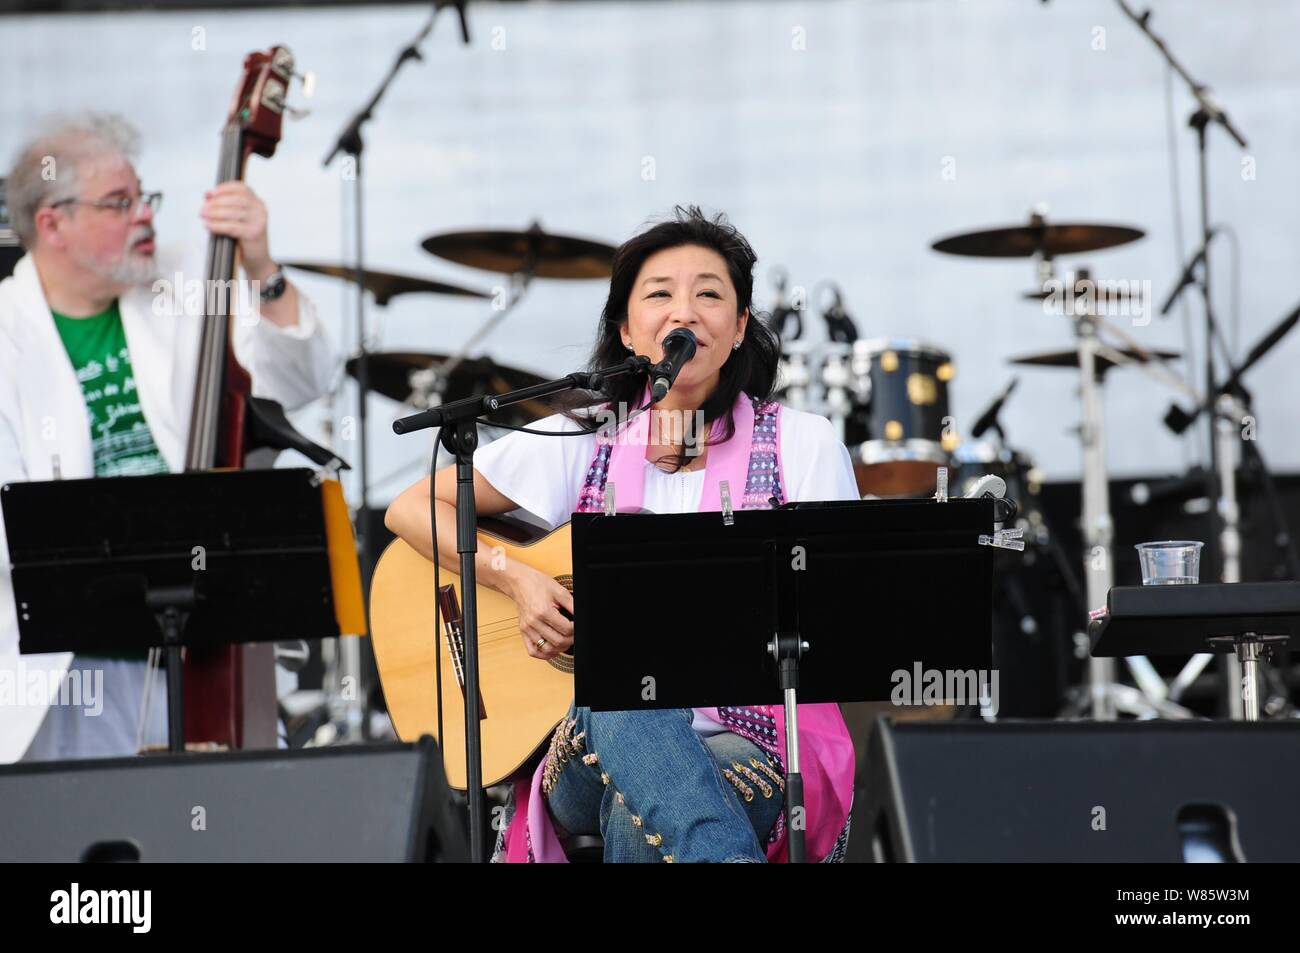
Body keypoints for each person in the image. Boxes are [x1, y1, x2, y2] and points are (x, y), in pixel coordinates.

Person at [386, 205, 857, 862]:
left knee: (638, 818)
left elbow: (839, 614)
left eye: (710, 295)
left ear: (741, 325)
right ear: (629, 331)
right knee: (622, 690)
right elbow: (410, 507)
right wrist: (514, 577)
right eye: (660, 294)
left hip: (755, 750)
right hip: (583, 744)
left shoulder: (800, 444)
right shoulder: (586, 433)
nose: (684, 312)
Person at [0, 113, 334, 763]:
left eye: (145, 198)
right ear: (52, 224)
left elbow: (303, 376)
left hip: (206, 640)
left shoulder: (183, 283)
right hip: (66, 666)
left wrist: (261, 264)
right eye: (119, 204)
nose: (145, 217)